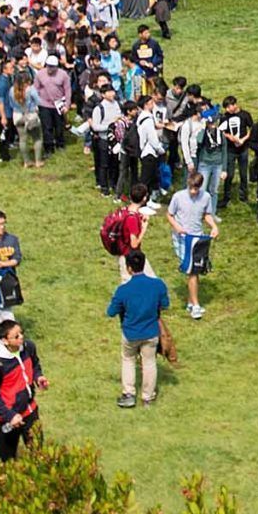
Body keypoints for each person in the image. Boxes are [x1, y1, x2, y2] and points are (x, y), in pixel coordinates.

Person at [107, 248, 173, 411]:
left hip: (130, 333)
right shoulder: (158, 285)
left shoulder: (123, 290)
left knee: (128, 360)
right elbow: (165, 305)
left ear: (129, 268)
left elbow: (110, 312)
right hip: (151, 332)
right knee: (149, 362)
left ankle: (129, 394)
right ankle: (147, 398)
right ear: (143, 265)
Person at [0, 317, 45, 462]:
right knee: (7, 462)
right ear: (5, 341)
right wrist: (10, 416)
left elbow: (35, 364)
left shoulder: (28, 348)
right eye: (16, 336)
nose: (21, 338)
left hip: (30, 412)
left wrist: (38, 377)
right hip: (6, 420)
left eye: (21, 333)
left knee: (39, 456)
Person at [166, 171, 216, 318]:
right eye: (191, 188)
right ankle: (195, 305)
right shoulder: (178, 197)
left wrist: (214, 226)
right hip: (182, 239)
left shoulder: (206, 197)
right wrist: (177, 227)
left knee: (195, 270)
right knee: (192, 271)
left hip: (197, 238)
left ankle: (190, 301)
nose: (193, 192)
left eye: (196, 189)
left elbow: (206, 214)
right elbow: (169, 215)